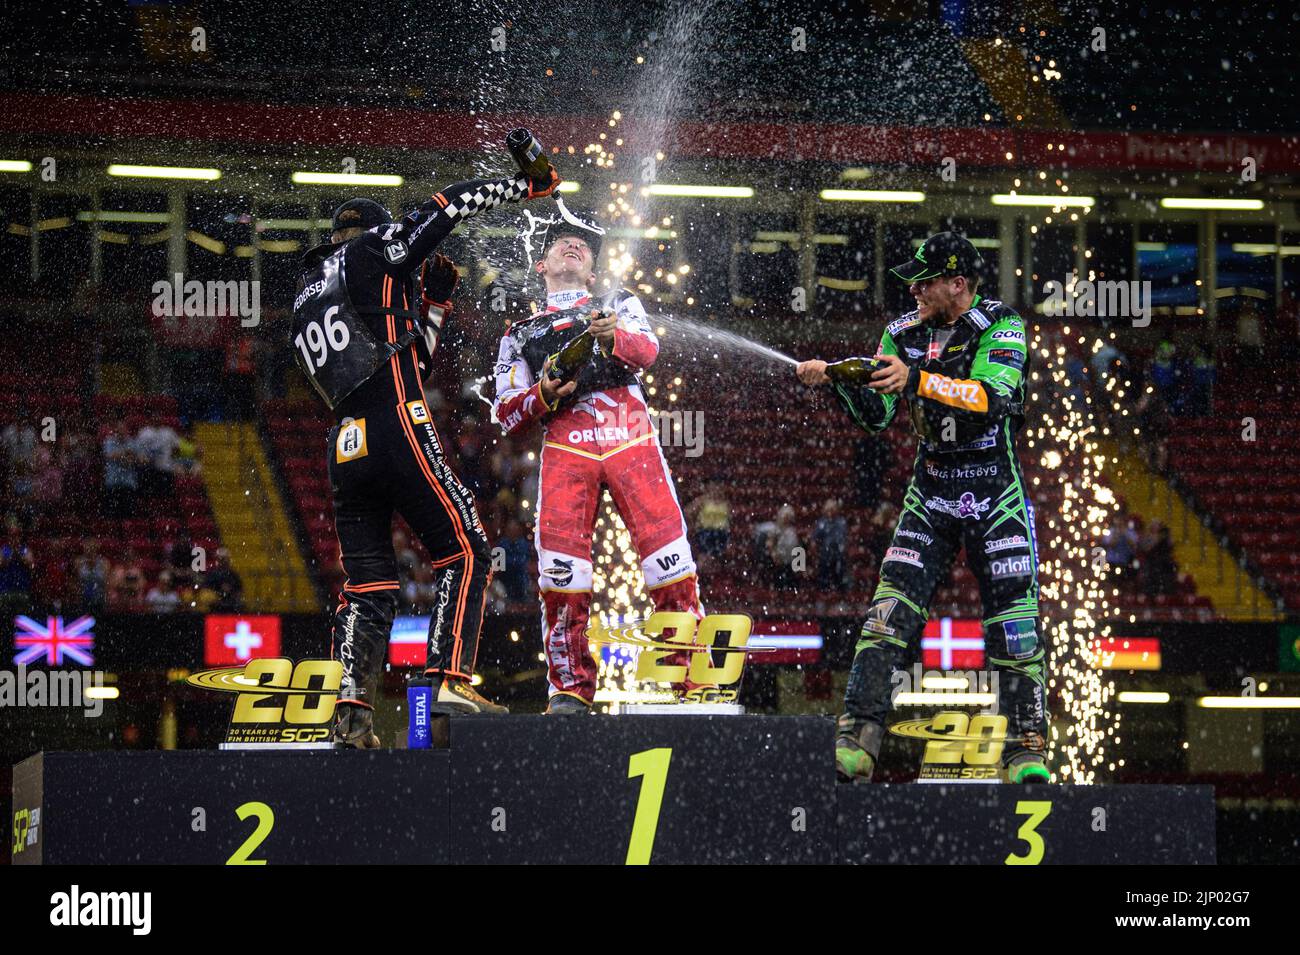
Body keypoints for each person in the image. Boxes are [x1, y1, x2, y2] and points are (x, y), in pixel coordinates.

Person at [293, 160, 561, 746]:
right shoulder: (372, 252)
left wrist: (434, 308)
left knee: (367, 588)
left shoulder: (311, 295)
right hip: (396, 423)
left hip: (345, 447)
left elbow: (409, 359)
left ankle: (352, 712)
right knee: (466, 548)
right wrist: (523, 187)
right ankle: (448, 678)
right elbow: (447, 205)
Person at [797, 231, 1050, 784]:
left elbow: (991, 398)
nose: (913, 288)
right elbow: (877, 417)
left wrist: (916, 380)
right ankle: (859, 737)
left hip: (996, 495)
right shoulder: (900, 332)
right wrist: (841, 382)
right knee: (886, 617)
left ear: (958, 284)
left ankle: (1025, 749)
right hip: (930, 493)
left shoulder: (1002, 325)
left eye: (925, 279)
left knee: (1015, 623)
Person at [492, 213, 705, 714]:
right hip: (567, 449)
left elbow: (647, 350)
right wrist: (544, 392)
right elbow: (505, 412)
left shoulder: (618, 304)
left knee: (668, 564)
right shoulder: (519, 332)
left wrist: (611, 339)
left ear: (592, 273)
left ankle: (690, 684)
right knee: (563, 577)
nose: (574, 246)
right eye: (562, 242)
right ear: (541, 265)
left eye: (583, 246)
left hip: (630, 437)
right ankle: (569, 689)